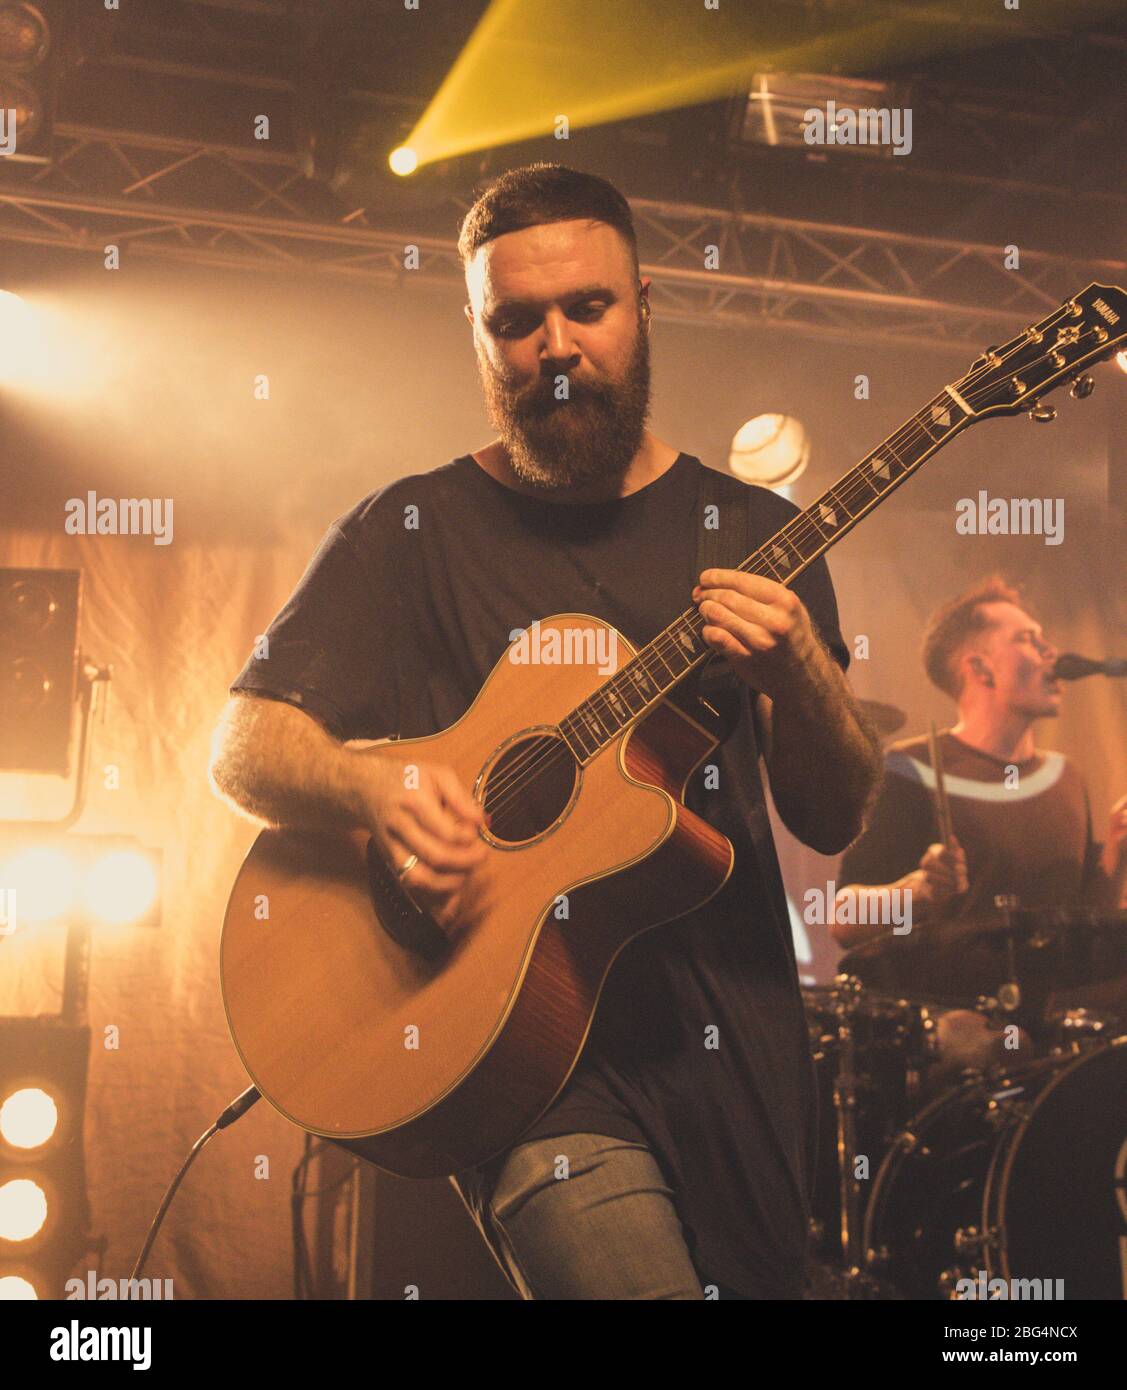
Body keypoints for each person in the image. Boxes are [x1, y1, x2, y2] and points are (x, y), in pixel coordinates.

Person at [209, 163, 881, 1300]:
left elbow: (832, 808)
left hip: (735, 1035)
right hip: (522, 1064)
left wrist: (802, 673)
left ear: (643, 306)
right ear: (477, 336)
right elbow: (242, 744)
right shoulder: (407, 530)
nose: (554, 345)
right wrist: (377, 790)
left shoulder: (757, 532)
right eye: (514, 322)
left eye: (586, 307)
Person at [834, 576, 1126, 953]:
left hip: (1046, 1005)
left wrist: (1117, 851)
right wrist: (919, 890)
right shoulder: (910, 768)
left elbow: (1083, 922)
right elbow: (842, 920)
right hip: (951, 1004)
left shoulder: (1065, 777)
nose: (1051, 651)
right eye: (1028, 640)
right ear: (980, 667)